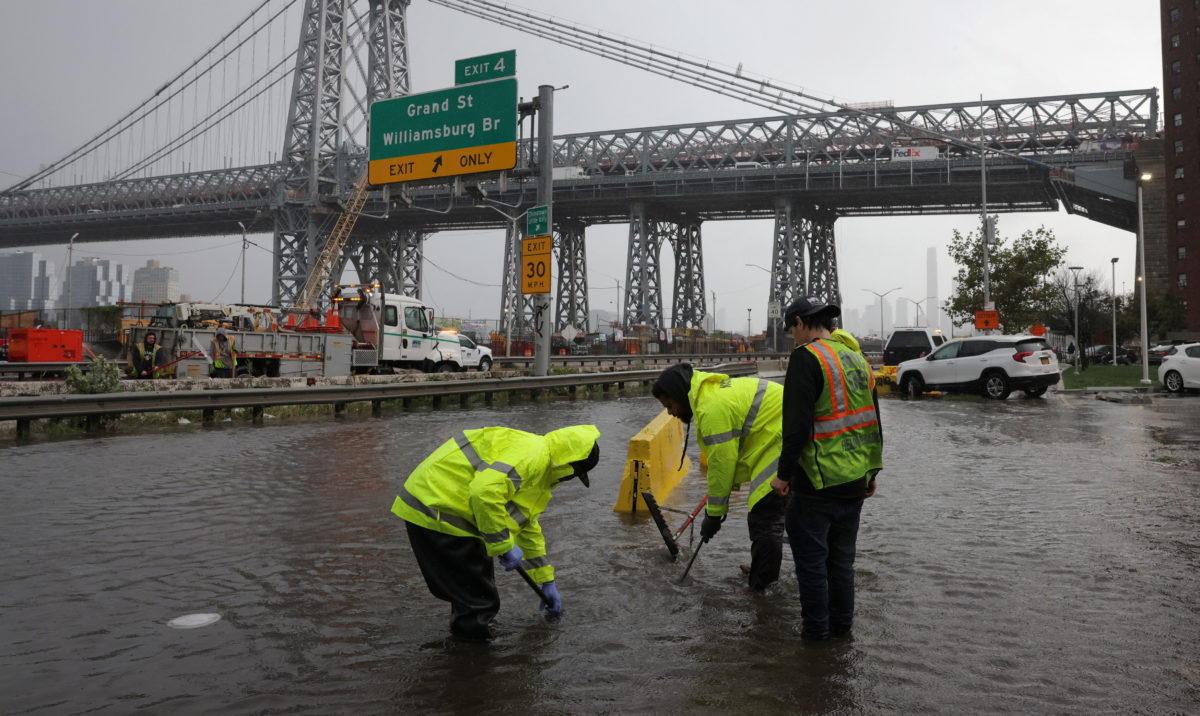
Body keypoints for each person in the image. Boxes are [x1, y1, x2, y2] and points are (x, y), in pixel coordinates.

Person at [391, 425, 601, 641]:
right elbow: (484, 492)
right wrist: (503, 544)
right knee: (480, 602)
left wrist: (546, 580)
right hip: (438, 507)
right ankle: (475, 662)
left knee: (473, 593)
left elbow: (527, 527)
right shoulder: (533, 456)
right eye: (574, 475)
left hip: (444, 508)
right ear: (569, 467)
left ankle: (462, 653)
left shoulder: (538, 468)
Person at [772, 296, 882, 641]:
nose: (794, 338)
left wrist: (783, 475)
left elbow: (796, 426)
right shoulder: (857, 359)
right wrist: (871, 474)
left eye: (793, 330)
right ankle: (842, 631)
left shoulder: (807, 358)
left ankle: (816, 641)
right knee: (842, 564)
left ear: (801, 322)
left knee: (812, 567)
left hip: (817, 483)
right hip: (855, 480)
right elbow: (872, 421)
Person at [652, 364, 785, 593]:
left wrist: (713, 515)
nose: (670, 412)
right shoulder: (708, 394)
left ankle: (762, 586)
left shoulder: (711, 408)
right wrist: (718, 501)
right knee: (766, 515)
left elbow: (721, 463)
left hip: (782, 438)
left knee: (764, 515)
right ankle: (763, 569)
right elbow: (729, 457)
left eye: (670, 405)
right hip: (775, 434)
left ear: (680, 395)